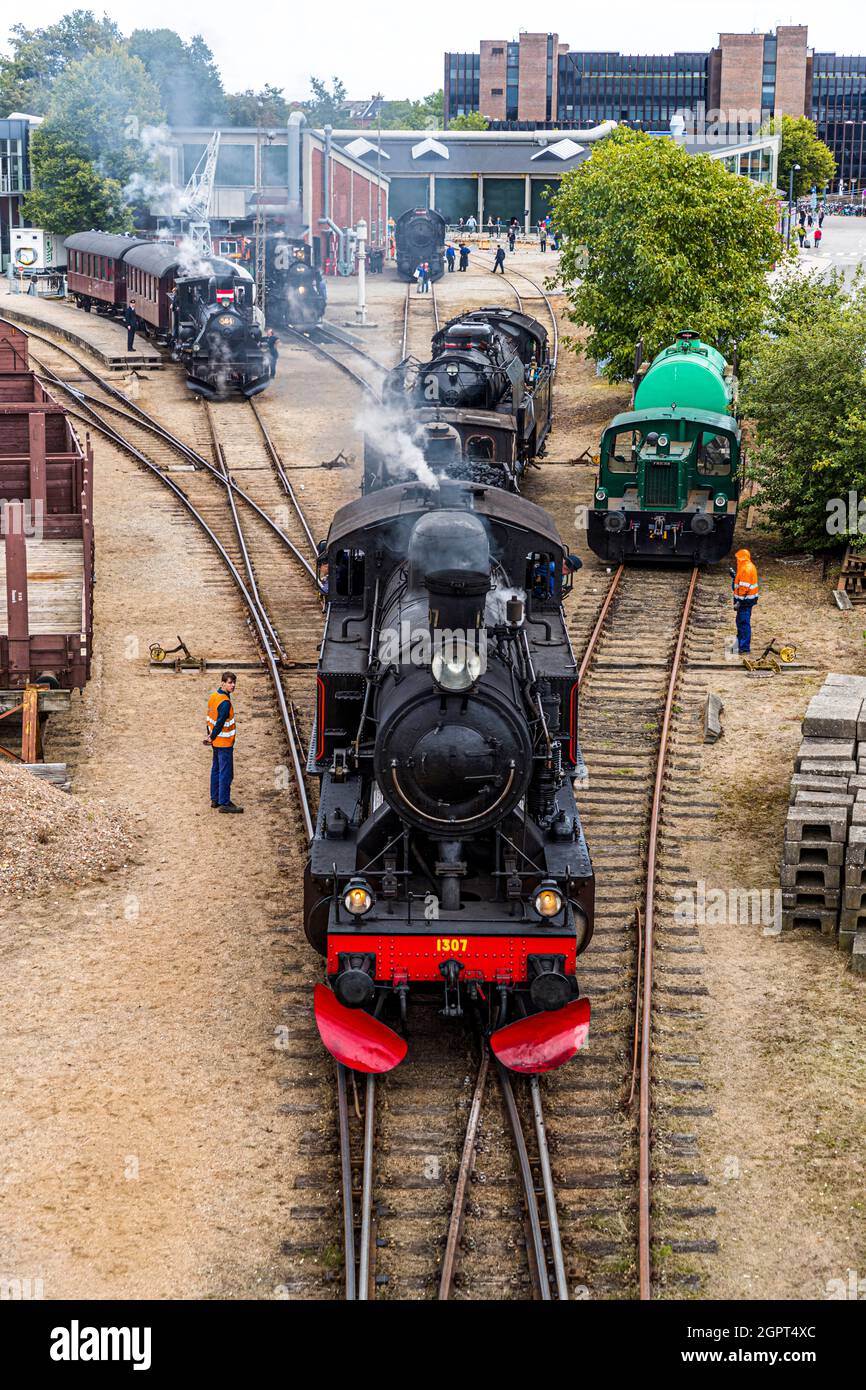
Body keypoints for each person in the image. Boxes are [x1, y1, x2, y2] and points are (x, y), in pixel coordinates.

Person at [204, 672, 243, 813]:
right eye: (229, 682)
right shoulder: (225, 703)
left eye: (233, 683)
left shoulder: (214, 697)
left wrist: (209, 736)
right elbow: (220, 722)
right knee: (226, 773)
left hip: (215, 743)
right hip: (224, 743)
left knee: (216, 769)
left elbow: (209, 718)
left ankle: (215, 799)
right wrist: (213, 736)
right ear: (222, 683)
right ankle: (224, 803)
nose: (232, 685)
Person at [730, 549, 759, 655]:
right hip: (746, 601)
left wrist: (739, 601)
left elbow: (744, 588)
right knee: (741, 622)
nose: (736, 560)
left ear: (741, 559)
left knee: (743, 623)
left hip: (744, 602)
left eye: (738, 558)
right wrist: (734, 577)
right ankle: (740, 645)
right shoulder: (746, 567)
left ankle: (744, 647)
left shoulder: (746, 569)